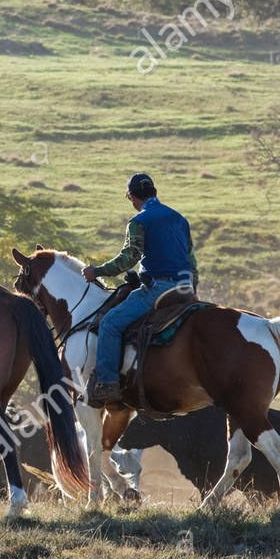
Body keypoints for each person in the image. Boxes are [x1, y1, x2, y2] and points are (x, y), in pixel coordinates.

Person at [83, 173, 197, 407]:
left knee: (110, 323)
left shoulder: (139, 221)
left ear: (133, 198)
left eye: (130, 198)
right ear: (155, 193)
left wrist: (98, 271)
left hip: (158, 289)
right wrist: (191, 289)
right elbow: (191, 261)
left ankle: (107, 385)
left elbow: (129, 258)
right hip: (185, 289)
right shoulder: (180, 219)